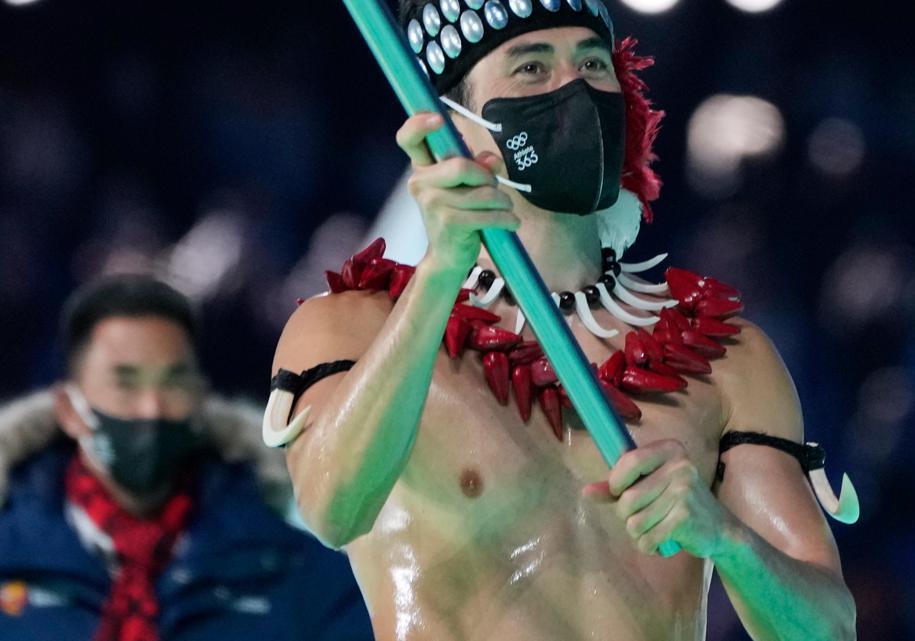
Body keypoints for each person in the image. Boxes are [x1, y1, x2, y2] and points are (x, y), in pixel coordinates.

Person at [267, 1, 857, 639]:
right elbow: (333, 508)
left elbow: (826, 631)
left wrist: (727, 540)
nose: (574, 87)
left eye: (593, 63)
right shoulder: (350, 328)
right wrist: (441, 272)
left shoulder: (727, 358)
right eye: (531, 67)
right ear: (454, 129)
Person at [0, 275, 370, 641]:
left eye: (173, 381)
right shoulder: (10, 550)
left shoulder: (293, 561)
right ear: (68, 409)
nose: (152, 408)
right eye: (126, 383)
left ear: (200, 396)